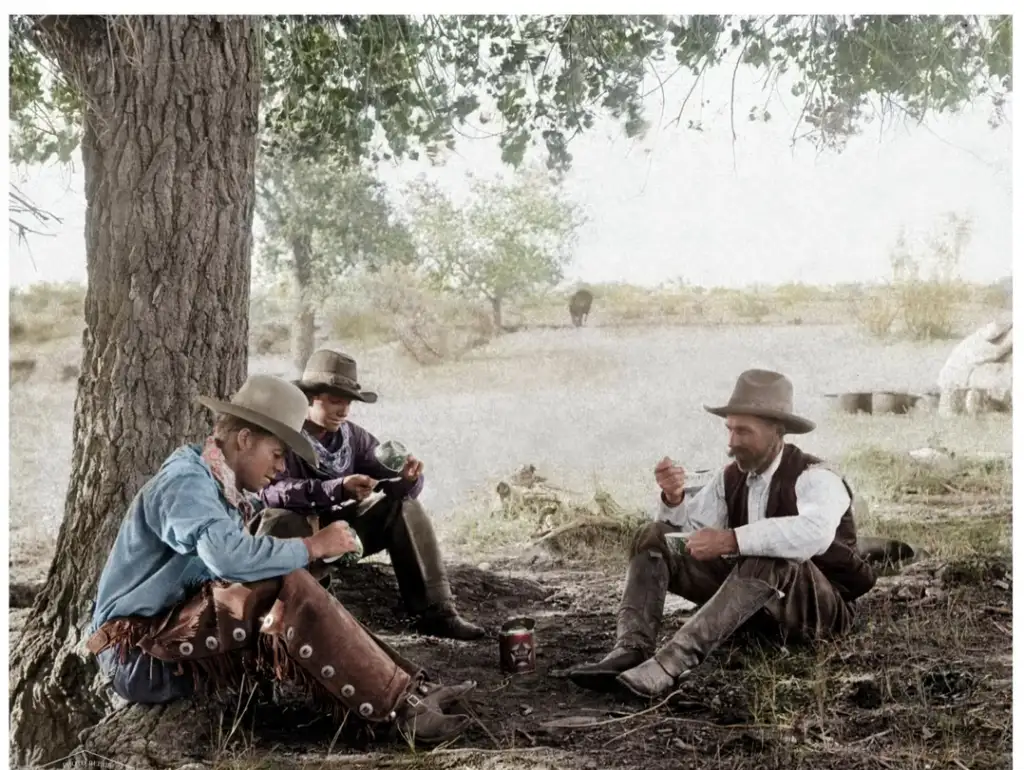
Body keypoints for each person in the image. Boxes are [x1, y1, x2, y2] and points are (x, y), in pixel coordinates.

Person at [86, 374, 473, 744]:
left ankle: (408, 690)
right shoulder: (187, 482)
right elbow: (226, 557)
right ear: (244, 439)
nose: (281, 466)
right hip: (135, 657)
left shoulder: (216, 482)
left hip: (164, 637)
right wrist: (312, 546)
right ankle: (399, 710)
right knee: (283, 580)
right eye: (277, 453)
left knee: (284, 577)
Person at [569, 369, 877, 699]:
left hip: (818, 616)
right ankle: (630, 648)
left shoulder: (816, 477)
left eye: (743, 432)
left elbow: (813, 534)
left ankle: (669, 666)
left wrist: (731, 539)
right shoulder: (731, 478)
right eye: (729, 430)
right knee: (655, 536)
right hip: (753, 612)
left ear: (778, 431)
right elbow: (690, 533)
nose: (731, 443)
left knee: (771, 557)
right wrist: (674, 499)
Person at [258, 349, 485, 641]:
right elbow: (271, 493)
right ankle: (307, 618)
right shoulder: (284, 435)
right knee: (283, 519)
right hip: (297, 540)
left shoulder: (354, 437)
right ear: (310, 398)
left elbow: (389, 480)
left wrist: (408, 477)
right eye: (336, 401)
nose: (344, 411)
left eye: (348, 403)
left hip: (344, 537)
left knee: (404, 507)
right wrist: (338, 488)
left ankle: (437, 612)